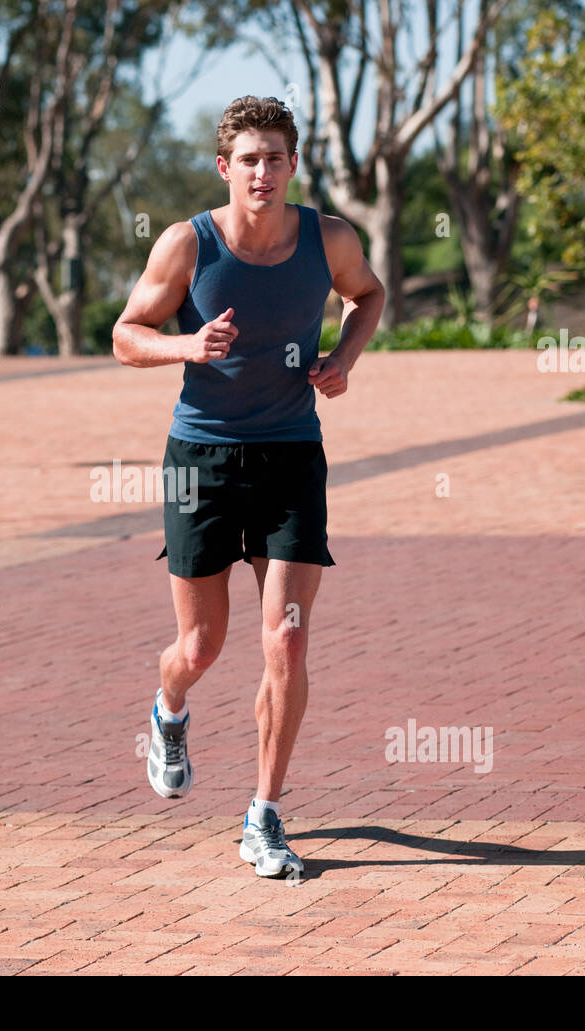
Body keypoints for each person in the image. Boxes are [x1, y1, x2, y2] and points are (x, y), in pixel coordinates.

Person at [111, 95, 385, 877]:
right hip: (201, 460)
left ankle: (263, 814)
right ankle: (168, 710)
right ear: (225, 169)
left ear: (294, 165)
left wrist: (344, 357)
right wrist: (188, 346)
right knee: (200, 646)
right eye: (249, 160)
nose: (263, 172)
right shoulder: (187, 245)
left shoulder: (328, 238)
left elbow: (370, 295)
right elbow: (128, 336)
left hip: (292, 454)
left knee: (288, 639)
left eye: (277, 158)